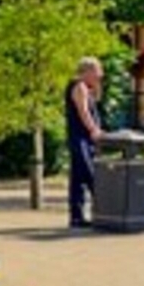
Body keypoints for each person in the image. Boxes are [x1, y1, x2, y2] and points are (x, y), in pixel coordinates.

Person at [64, 56, 105, 228]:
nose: (100, 74)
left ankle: (76, 216)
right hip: (80, 138)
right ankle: (106, 208)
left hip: (83, 138)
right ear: (87, 71)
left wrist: (96, 86)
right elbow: (83, 112)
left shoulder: (86, 87)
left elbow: (93, 105)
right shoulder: (79, 86)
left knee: (77, 178)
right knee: (89, 174)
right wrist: (94, 129)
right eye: (97, 71)